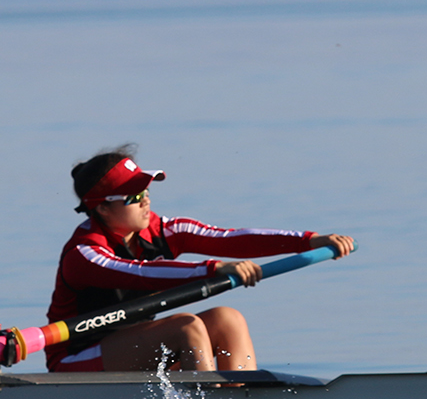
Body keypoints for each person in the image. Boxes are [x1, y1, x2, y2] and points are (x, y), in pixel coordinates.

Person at [46, 147, 355, 372]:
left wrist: (309, 240)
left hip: (135, 345)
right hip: (77, 357)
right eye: (134, 196)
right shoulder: (84, 253)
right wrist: (214, 268)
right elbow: (141, 273)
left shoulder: (163, 230)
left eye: (147, 191)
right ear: (102, 208)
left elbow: (231, 238)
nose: (146, 200)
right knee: (186, 326)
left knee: (227, 319)